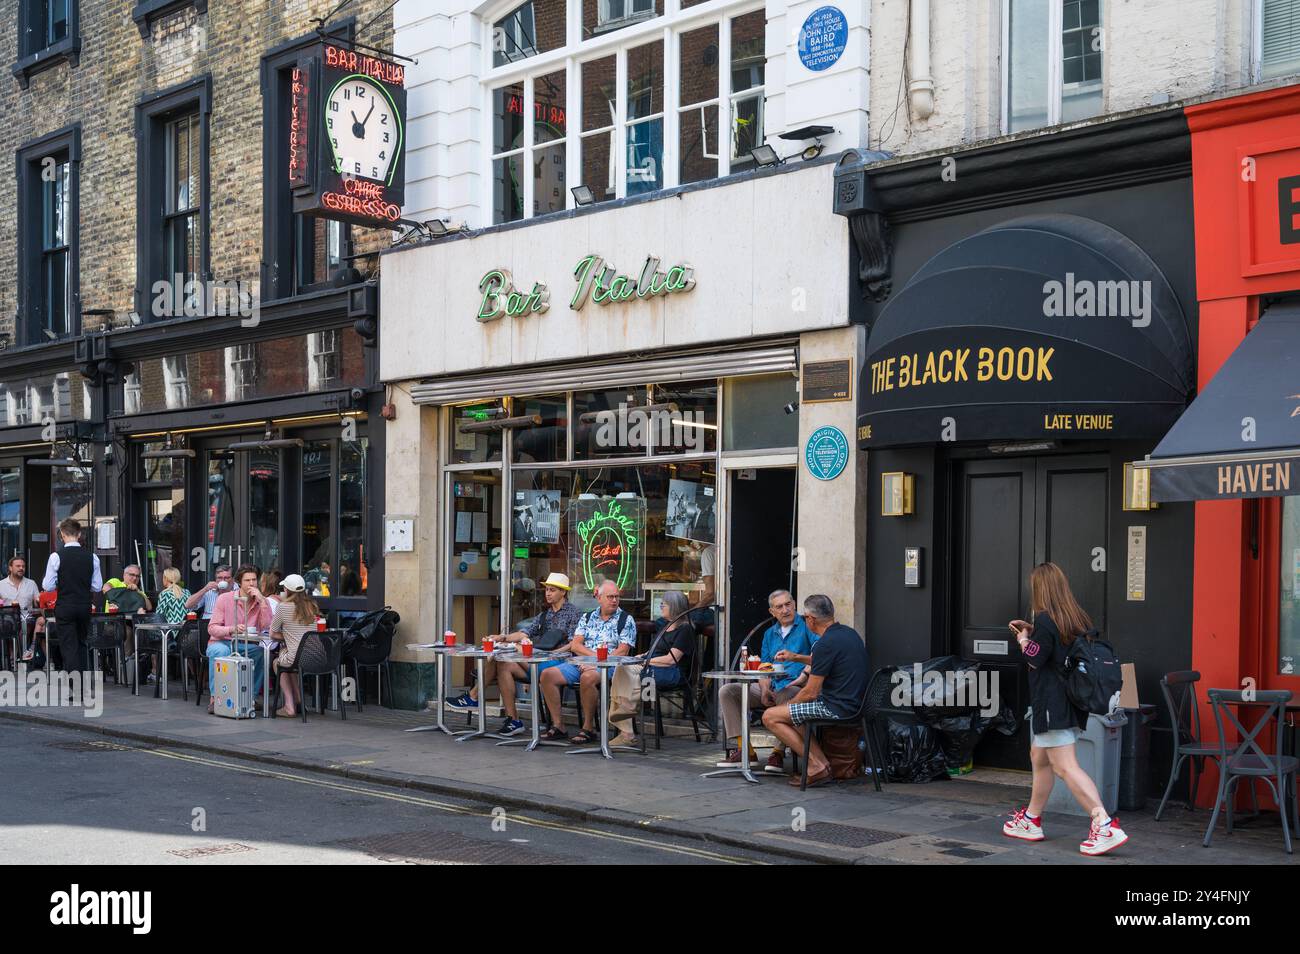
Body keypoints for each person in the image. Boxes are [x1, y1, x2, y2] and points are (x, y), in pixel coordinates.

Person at [1003, 562, 1130, 857]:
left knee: (1064, 765)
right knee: (1040, 756)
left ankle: (1104, 823)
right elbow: (1055, 651)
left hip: (1052, 704)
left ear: (1040, 589)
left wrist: (1023, 639)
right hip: (1070, 702)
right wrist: (1035, 634)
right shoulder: (1073, 617)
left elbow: (1036, 658)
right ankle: (1032, 820)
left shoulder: (1047, 620)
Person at [448, 572, 581, 736]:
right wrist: (502, 637)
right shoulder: (544, 615)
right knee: (502, 662)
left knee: (506, 653)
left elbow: (573, 643)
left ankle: (473, 696)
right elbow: (524, 633)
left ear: (563, 592)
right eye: (546, 590)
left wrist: (552, 653)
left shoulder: (573, 613)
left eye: (552, 590)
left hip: (558, 662)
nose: (547, 593)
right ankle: (514, 720)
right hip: (536, 659)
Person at [761, 594, 869, 788]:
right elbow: (827, 660)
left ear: (811, 619)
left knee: (770, 716)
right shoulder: (848, 634)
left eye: (804, 617)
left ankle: (815, 764)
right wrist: (796, 657)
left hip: (836, 707)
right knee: (793, 716)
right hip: (856, 704)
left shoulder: (825, 644)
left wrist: (787, 707)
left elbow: (810, 693)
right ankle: (821, 764)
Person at [718, 589, 816, 771]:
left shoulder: (807, 627)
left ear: (794, 604)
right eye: (780, 607)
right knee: (728, 691)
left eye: (788, 604)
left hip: (795, 686)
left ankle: (778, 752)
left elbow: (820, 654)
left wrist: (801, 669)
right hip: (771, 685)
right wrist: (764, 690)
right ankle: (746, 750)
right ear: (772, 611)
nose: (785, 610)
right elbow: (764, 667)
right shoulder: (769, 634)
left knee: (786, 696)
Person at [539, 580, 636, 744]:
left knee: (588, 677)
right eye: (610, 597)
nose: (614, 600)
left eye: (616, 597)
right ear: (599, 598)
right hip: (583, 663)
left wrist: (596, 663)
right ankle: (559, 725)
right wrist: (591, 659)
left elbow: (623, 651)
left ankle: (588, 728)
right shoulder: (588, 617)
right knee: (547, 675)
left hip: (611, 666)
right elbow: (576, 645)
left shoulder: (626, 619)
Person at [607, 590, 696, 747]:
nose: (661, 606)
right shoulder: (665, 626)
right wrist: (639, 657)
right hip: (654, 667)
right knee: (622, 667)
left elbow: (670, 659)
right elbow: (653, 651)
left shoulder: (685, 629)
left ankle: (626, 724)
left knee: (627, 673)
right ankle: (626, 725)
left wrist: (646, 661)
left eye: (664, 604)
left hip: (672, 673)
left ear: (675, 607)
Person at [42, 518, 103, 690]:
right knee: (82, 643)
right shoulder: (92, 557)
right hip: (84, 605)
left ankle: (75, 688)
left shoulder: (56, 556)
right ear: (79, 534)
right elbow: (97, 586)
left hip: (65, 605)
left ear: (62, 535)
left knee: (69, 646)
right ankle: (84, 685)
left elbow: (47, 586)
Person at [205, 564, 272, 714]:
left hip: (246, 643)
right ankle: (216, 699)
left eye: (254, 580)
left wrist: (262, 602)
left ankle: (251, 698)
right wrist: (231, 629)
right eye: (247, 580)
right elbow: (212, 628)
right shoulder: (225, 599)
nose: (252, 584)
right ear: (239, 582)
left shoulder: (261, 601)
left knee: (260, 653)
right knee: (219, 650)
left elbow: (267, 626)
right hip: (223, 641)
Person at [267, 574, 316, 717]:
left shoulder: (283, 607)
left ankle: (289, 706)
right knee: (290, 662)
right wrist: (294, 637)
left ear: (287, 590)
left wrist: (289, 636)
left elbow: (273, 634)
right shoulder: (312, 605)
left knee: (278, 662)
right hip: (315, 658)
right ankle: (299, 700)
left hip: (295, 658)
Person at [1, 555, 47, 665]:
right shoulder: (1, 585)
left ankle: (25, 653)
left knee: (30, 623)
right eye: (18, 566)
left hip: (28, 617)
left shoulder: (31, 583)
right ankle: (15, 656)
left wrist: (40, 599)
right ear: (10, 568)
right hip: (8, 619)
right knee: (13, 626)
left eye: (23, 566)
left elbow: (37, 602)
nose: (21, 568)